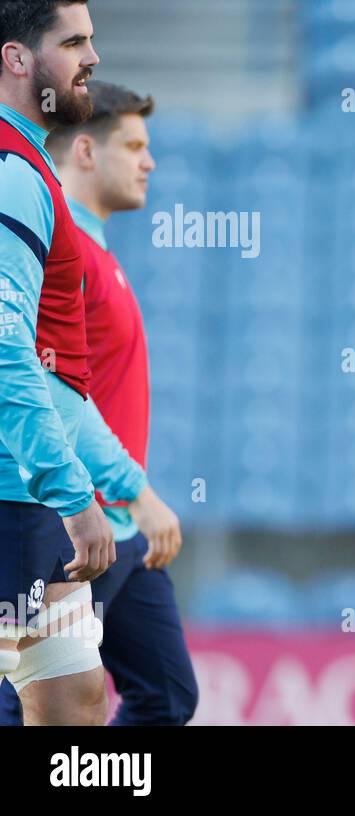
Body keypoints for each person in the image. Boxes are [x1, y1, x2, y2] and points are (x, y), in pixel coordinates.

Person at [0, 80, 196, 725]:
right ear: (84, 150)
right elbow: (45, 386)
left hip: (119, 525)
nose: (150, 162)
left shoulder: (94, 254)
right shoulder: (65, 253)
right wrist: (135, 489)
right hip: (75, 518)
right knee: (40, 700)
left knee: (164, 698)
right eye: (134, 145)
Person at [0, 0, 115, 725]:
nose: (92, 58)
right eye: (73, 42)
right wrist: (71, 494)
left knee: (75, 703)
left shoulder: (28, 162)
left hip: (30, 497)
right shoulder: (13, 173)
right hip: (15, 495)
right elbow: (5, 343)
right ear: (16, 59)